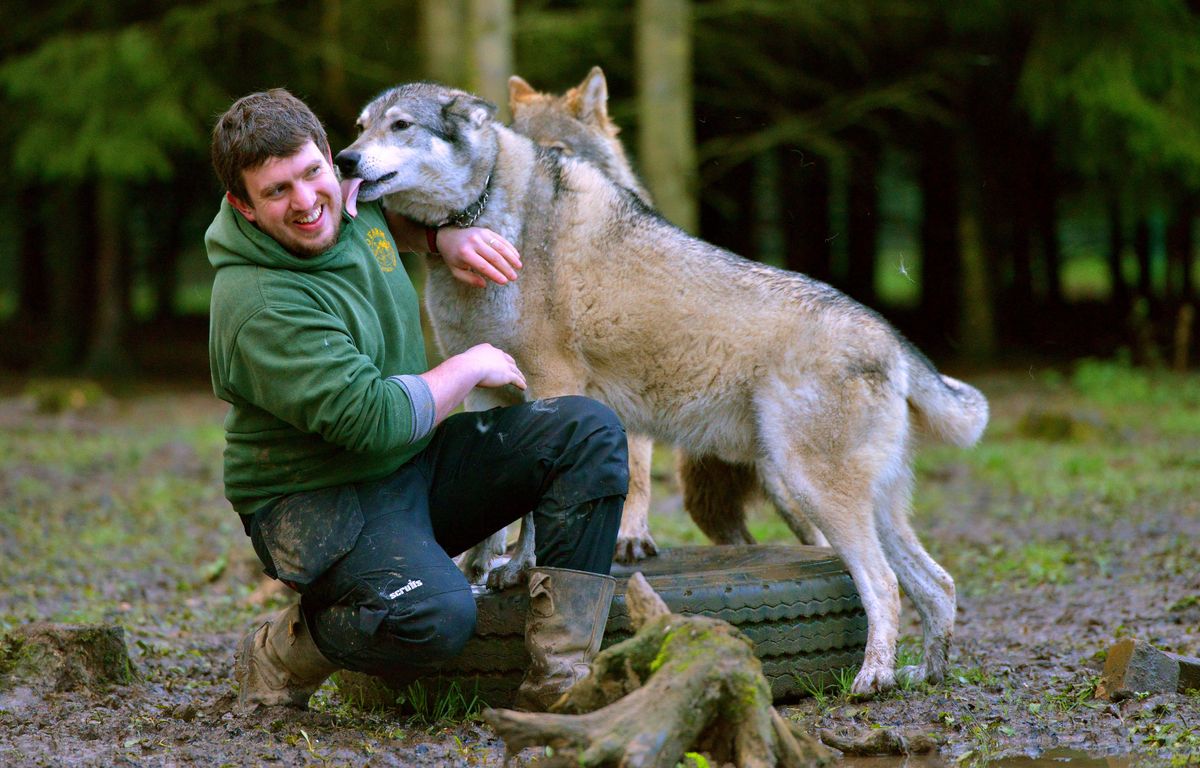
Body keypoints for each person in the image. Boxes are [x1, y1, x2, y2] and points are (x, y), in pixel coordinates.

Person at [206, 88, 627, 712]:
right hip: (320, 500)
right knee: (432, 620)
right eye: (276, 192)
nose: (305, 203)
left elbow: (383, 221)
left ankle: (560, 680)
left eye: (312, 174)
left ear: (331, 156)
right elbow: (372, 420)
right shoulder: (260, 304)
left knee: (587, 432)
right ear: (242, 205)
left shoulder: (350, 200)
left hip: (411, 460)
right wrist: (469, 363)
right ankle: (286, 649)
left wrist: (440, 241)